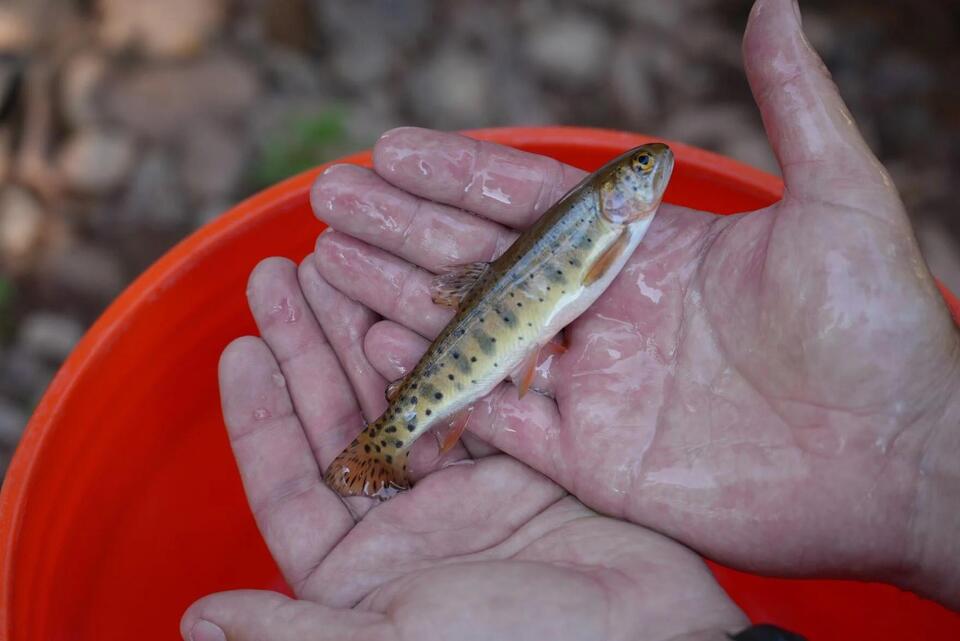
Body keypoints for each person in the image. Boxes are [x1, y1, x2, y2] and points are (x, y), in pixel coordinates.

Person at [181, 0, 959, 639]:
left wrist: (922, 440)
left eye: (645, 171)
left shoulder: (614, 222)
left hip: (482, 354)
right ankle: (394, 437)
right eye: (644, 174)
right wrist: (922, 447)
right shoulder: (607, 222)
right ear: (620, 197)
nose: (655, 173)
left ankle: (393, 437)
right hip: (480, 353)